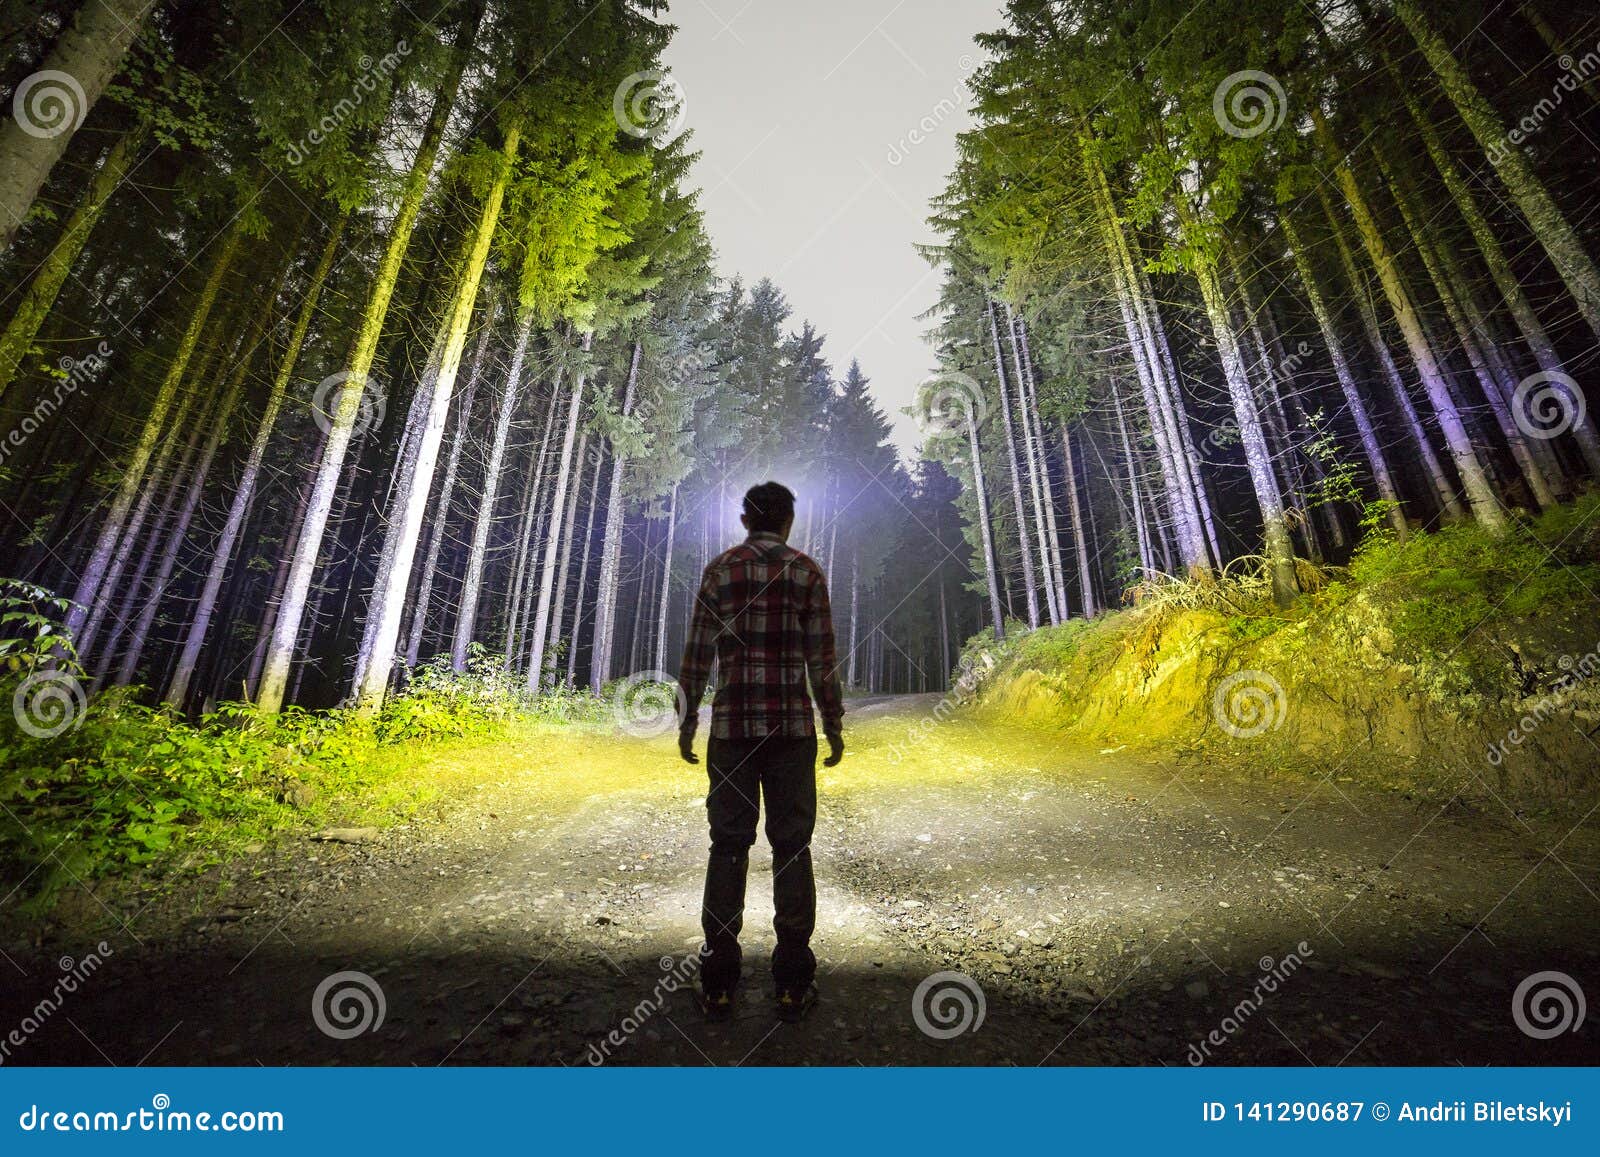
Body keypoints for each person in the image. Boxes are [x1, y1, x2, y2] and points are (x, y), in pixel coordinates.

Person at [676, 480, 844, 1023]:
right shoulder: (805, 572)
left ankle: (719, 983)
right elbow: (823, 661)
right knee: (792, 848)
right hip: (791, 733)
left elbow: (697, 651)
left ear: (746, 521)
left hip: (733, 731)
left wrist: (687, 719)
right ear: (788, 521)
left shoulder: (720, 571)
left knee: (728, 846)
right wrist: (833, 722)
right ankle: (793, 984)